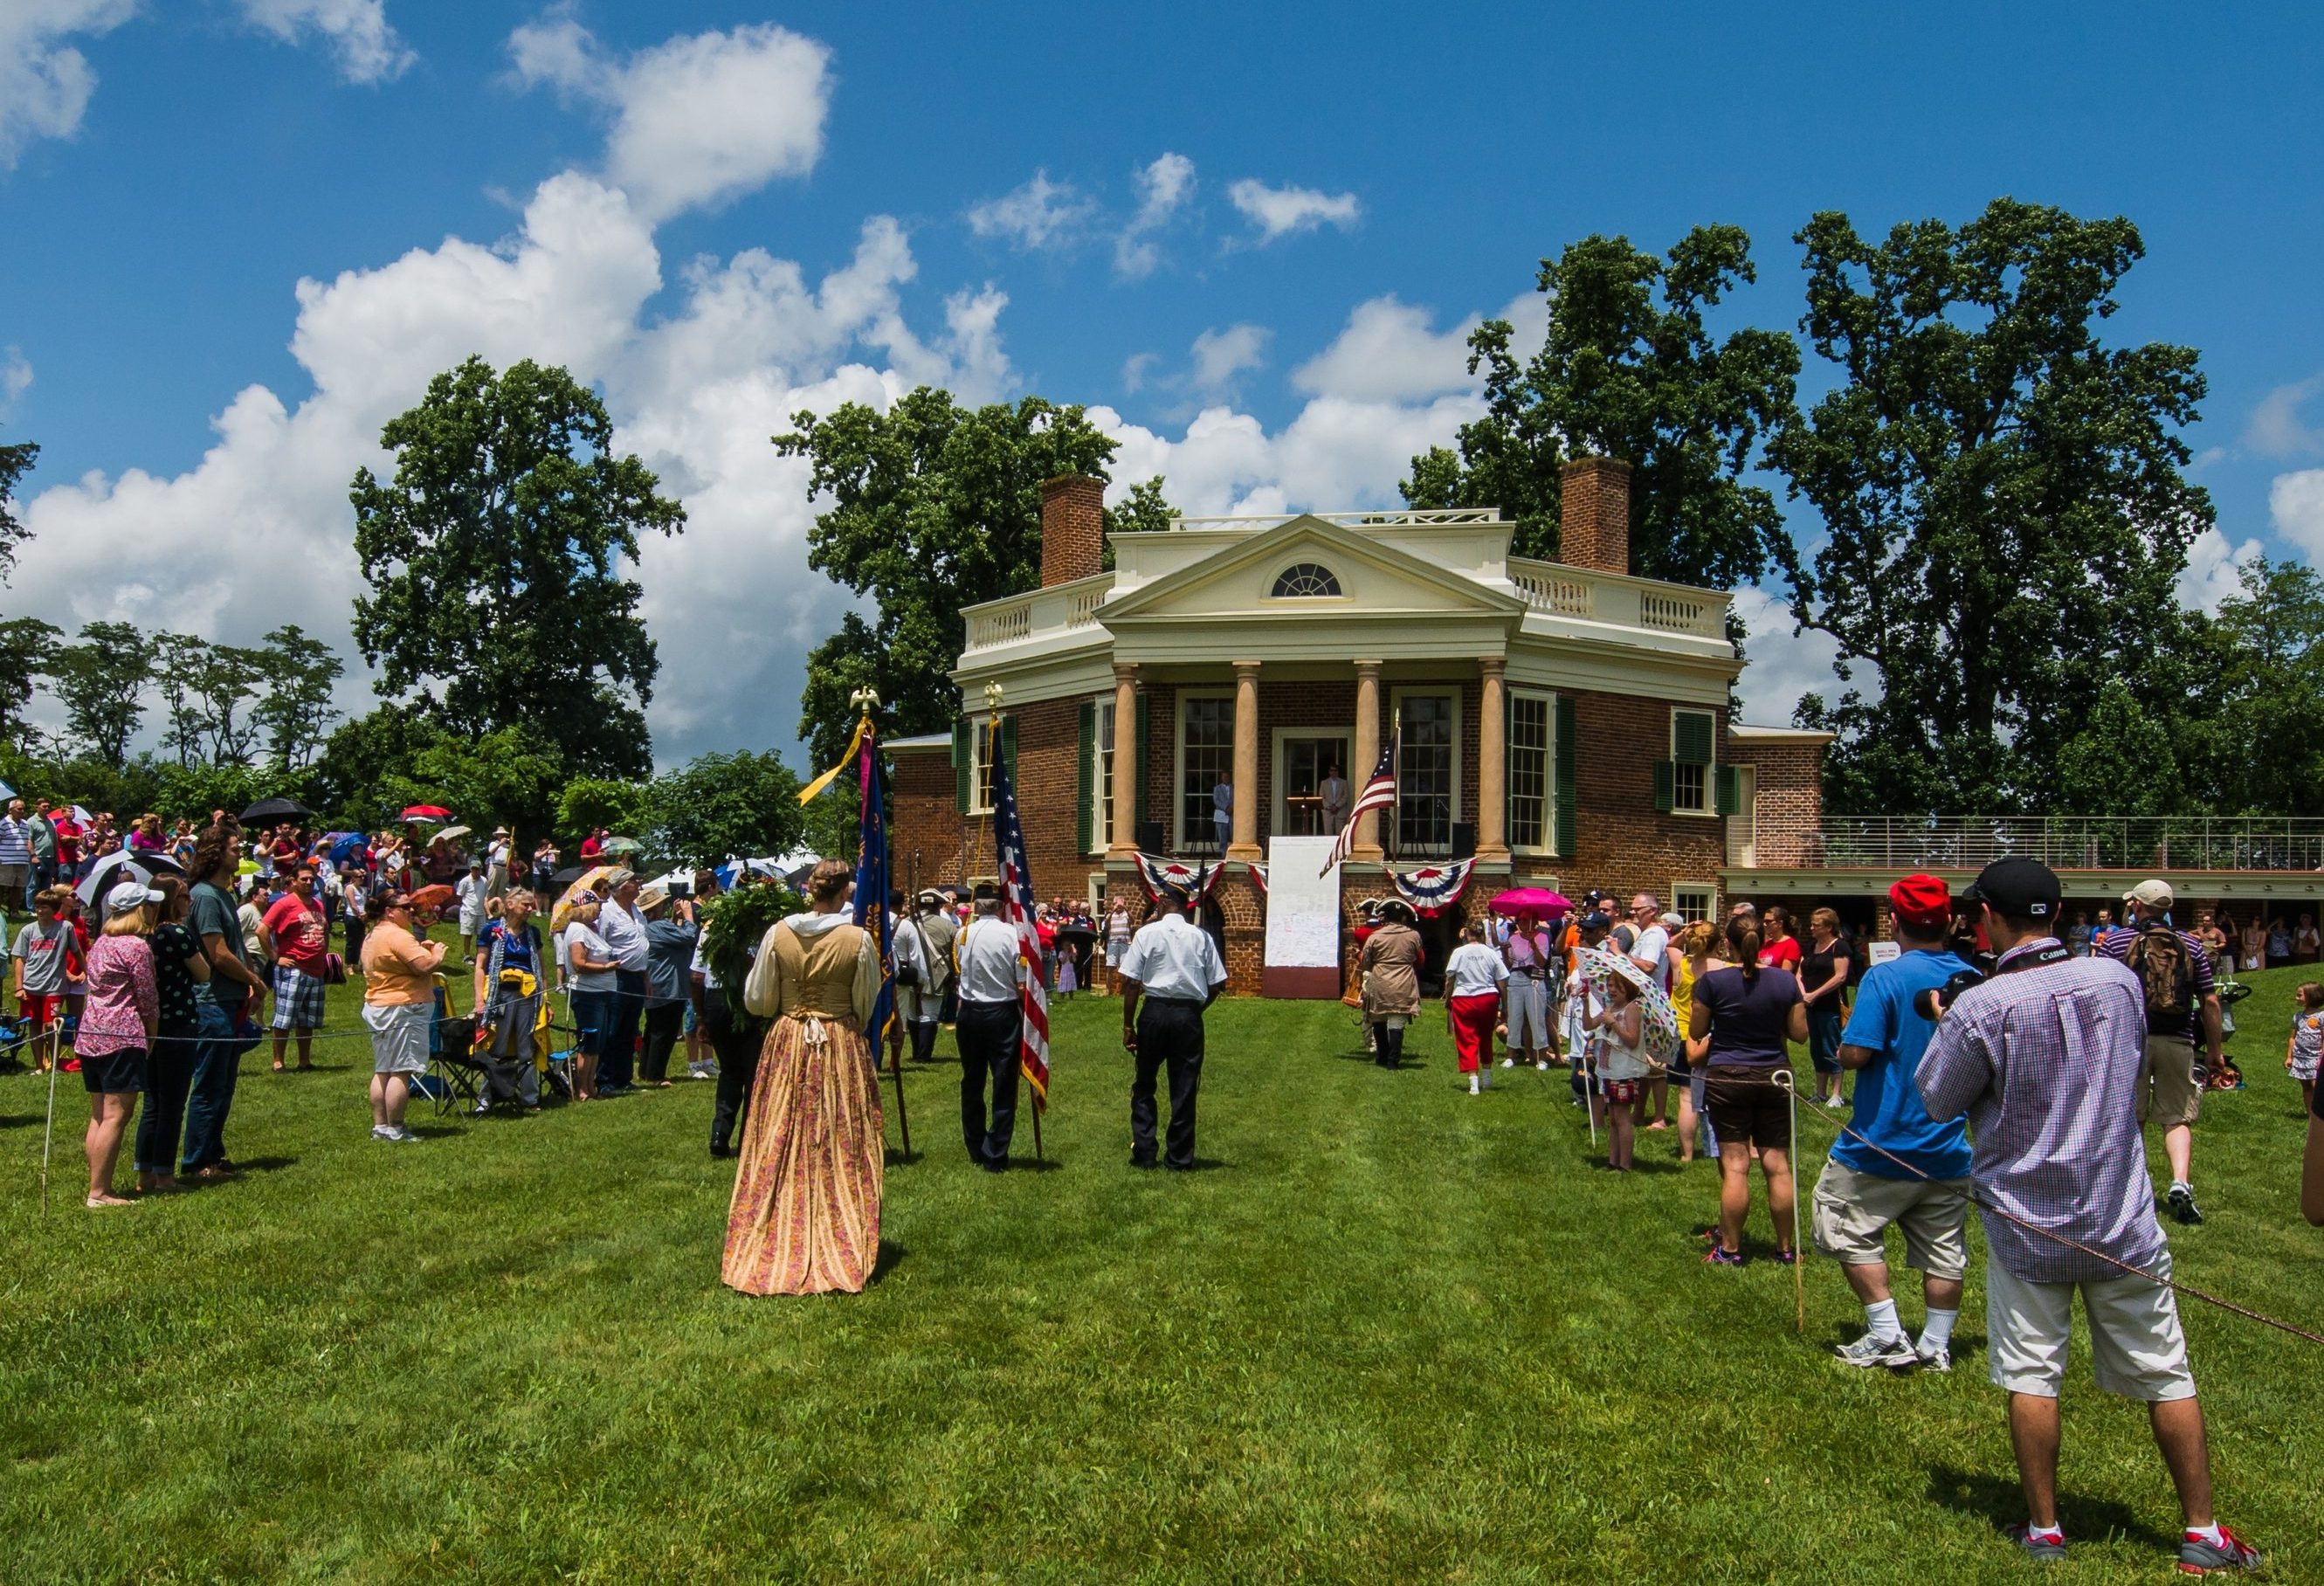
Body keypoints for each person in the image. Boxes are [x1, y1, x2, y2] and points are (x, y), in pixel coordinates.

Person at [1918, 858, 2261, 1573]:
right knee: (2165, 1370)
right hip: (2117, 1216)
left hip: (2026, 1223)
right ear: (2056, 911)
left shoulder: (1983, 1004)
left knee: (2032, 1373)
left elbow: (1936, 1102)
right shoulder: (2115, 980)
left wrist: (1948, 1019)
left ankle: (2044, 1529)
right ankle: (2201, 1531)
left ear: (1987, 919)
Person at [1816, 873, 1975, 1371]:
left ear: (1895, 922)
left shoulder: (1885, 977)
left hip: (1882, 1142)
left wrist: (1841, 1047)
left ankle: (1887, 1335)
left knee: (1840, 1221)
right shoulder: (1973, 978)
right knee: (1944, 1250)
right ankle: (1935, 1346)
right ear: (1947, 922)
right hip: (1948, 1144)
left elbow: (1859, 1053)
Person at [724, 859, 885, 1296]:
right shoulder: (857, 939)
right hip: (837, 1041)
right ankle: (838, 1224)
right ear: (843, 891)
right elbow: (865, 1002)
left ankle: (774, 1222)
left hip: (788, 1039)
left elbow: (758, 1000)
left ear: (812, 889)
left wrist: (792, 1008)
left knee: (779, 1131)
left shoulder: (778, 933)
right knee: (840, 1137)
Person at [2102, 879, 2223, 1226]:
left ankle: (2129, 1189)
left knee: (2132, 1116)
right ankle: (2180, 1181)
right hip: (2178, 1038)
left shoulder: (2117, 941)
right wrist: (2215, 1051)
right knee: (2177, 1116)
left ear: (2137, 906)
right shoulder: (2191, 945)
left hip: (2131, 1040)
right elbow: (2210, 1000)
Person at [1692, 911, 1808, 1266]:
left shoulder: (1712, 982)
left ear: (1727, 944)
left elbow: (1697, 1032)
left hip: (1728, 1076)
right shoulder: (1785, 982)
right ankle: (1786, 1249)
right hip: (1774, 1075)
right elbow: (1800, 1034)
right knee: (1777, 1164)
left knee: (1736, 1164)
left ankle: (1730, 1250)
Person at [1119, 875, 1228, 1170]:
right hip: (1188, 1015)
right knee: (1184, 1087)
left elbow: (1131, 983)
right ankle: (1179, 1158)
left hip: (1154, 1011)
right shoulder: (1201, 936)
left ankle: (1144, 1150)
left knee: (1144, 1084)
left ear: (1166, 903)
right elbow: (1217, 984)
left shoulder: (1147, 933)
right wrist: (1195, 1011)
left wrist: (1128, 1026)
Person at [183, 822, 266, 1181]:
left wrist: (248, 985)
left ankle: (213, 1154)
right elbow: (217, 954)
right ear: (216, 853)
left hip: (231, 1000)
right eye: (235, 847)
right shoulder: (202, 895)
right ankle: (197, 1161)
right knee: (209, 1085)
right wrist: (255, 981)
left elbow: (235, 949)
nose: (240, 853)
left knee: (224, 1085)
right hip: (211, 1002)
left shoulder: (225, 895)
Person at [77, 881, 160, 1206]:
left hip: (91, 1032)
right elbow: (148, 999)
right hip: (122, 1034)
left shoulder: (100, 943)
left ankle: (97, 1183)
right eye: (149, 905)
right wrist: (150, 1036)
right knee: (115, 1117)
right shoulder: (137, 947)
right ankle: (99, 1192)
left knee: (98, 1115)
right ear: (140, 910)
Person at [134, 877, 210, 1196]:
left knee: (152, 1102)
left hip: (149, 1024)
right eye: (183, 897)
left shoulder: (143, 935)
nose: (188, 902)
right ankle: (165, 1175)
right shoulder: (177, 933)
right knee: (173, 1102)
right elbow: (203, 972)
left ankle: (145, 1174)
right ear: (169, 900)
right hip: (177, 1023)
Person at [951, 884, 1026, 1169]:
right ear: (999, 906)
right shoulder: (1012, 935)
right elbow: (1021, 984)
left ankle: (975, 1145)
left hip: (969, 1012)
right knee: (1004, 1082)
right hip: (1001, 1012)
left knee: (972, 1080)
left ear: (977, 906)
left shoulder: (963, 934)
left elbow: (959, 971)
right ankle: (995, 1151)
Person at [358, 890, 440, 1141]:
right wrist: (436, 954)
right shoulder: (398, 934)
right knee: (401, 1070)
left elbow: (398, 963)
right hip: (404, 1007)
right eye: (405, 907)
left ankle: (380, 1126)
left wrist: (421, 950)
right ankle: (396, 1127)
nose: (411, 911)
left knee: (383, 1069)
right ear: (389, 911)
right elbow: (423, 966)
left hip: (379, 1005)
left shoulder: (374, 935)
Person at [472, 887, 546, 1113]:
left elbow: (542, 969)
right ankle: (487, 1097)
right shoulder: (491, 930)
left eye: (532, 905)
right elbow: (480, 966)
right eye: (526, 904)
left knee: (527, 1046)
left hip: (528, 994)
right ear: (511, 904)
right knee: (496, 1045)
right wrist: (479, 1000)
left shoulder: (532, 933)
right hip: (500, 994)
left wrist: (546, 999)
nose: (530, 909)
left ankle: (529, 1098)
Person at [1586, 958, 1653, 1170]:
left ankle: (1625, 1163)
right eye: (1610, 986)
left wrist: (1614, 1023)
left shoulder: (1631, 1009)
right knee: (1613, 1117)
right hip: (1609, 1069)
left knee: (1623, 1117)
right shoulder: (1610, 1006)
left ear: (1629, 988)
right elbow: (1589, 1024)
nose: (1612, 990)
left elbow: (1632, 1040)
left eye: (1617, 986)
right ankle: (1612, 1160)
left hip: (1624, 1070)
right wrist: (1583, 1002)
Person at [262, 865, 328, 1073]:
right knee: (284, 1017)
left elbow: (324, 930)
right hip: (293, 967)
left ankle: (304, 1061)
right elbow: (261, 930)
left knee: (308, 1019)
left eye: (311, 879)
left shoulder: (318, 904)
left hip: (316, 969)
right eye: (304, 879)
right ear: (293, 881)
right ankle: (278, 1061)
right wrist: (275, 957)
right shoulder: (284, 904)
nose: (308, 883)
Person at [12, 885, 84, 1074]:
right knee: (34, 1023)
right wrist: (19, 987)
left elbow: (77, 952)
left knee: (52, 1025)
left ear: (54, 909)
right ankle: (39, 1066)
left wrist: (87, 972)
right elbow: (19, 959)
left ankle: (55, 1064)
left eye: (44, 907)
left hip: (54, 987)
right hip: (31, 986)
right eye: (37, 906)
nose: (40, 910)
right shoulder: (28, 930)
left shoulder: (65, 928)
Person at [1667, 921, 1721, 1165]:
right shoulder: (1725, 968)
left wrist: (1684, 930)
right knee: (1722, 1093)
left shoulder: (1681, 963)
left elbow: (1670, 944)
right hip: (1713, 1035)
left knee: (1686, 1097)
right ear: (1718, 944)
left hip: (1682, 1033)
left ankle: (1686, 1154)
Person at [637, 882, 697, 1088]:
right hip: (668, 985)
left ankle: (646, 1070)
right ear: (655, 908)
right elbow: (688, 936)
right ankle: (656, 1075)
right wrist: (688, 915)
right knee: (666, 1031)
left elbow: (671, 936)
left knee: (652, 1029)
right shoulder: (658, 927)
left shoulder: (648, 926)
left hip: (655, 982)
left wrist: (674, 919)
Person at [595, 869, 649, 1094]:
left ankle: (623, 1078)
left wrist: (646, 979)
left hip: (637, 975)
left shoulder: (636, 910)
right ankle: (605, 1079)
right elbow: (599, 942)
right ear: (620, 887)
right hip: (618, 976)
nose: (638, 883)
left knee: (630, 1029)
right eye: (633, 880)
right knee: (613, 1029)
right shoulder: (607, 912)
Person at [1443, 920, 1507, 1097]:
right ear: (1482, 933)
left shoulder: (1459, 952)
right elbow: (1501, 980)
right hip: (1488, 997)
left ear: (1466, 933)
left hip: (1464, 997)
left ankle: (1473, 1082)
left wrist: (1448, 998)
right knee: (1486, 1035)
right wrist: (1505, 1005)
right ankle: (1487, 1076)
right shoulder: (1491, 952)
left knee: (1466, 1038)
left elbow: (1450, 979)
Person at [562, 897, 617, 1102]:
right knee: (589, 1042)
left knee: (599, 1042)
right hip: (588, 994)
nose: (599, 911)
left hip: (603, 992)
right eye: (597, 907)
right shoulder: (577, 929)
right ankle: (582, 1087)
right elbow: (578, 963)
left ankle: (591, 1084)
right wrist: (606, 968)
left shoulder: (590, 929)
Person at [1357, 899, 1424, 1069]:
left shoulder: (1375, 936)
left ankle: (1382, 1057)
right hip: (1403, 983)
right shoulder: (1414, 936)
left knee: (1378, 1019)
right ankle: (1393, 1061)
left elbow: (1365, 962)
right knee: (1396, 1022)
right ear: (1403, 918)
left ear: (1385, 917)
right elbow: (1420, 960)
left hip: (1380, 982)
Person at [1800, 907, 1853, 1110]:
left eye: (1817, 925)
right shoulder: (1811, 946)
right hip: (1811, 1006)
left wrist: (1815, 994)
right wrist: (1803, 992)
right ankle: (1820, 1093)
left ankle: (1836, 1094)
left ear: (1829, 927)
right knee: (1816, 1048)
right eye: (1812, 924)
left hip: (1831, 1006)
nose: (1812, 928)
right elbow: (1800, 971)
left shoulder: (1839, 947)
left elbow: (1840, 977)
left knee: (1832, 1047)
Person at [893, 890, 950, 1067]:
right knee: (929, 1015)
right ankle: (923, 1055)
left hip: (909, 975)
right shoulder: (947, 925)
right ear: (936, 906)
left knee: (912, 1014)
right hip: (937, 975)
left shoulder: (908, 922)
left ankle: (916, 1051)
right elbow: (955, 950)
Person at [1499, 911, 1553, 1072]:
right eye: (1519, 920)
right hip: (1517, 978)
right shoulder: (1513, 939)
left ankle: (1542, 1057)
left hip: (1534, 979)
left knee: (1537, 1018)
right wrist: (1503, 951)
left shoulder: (1542, 938)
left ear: (1534, 921)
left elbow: (1541, 962)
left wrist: (1534, 945)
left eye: (1525, 920)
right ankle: (1510, 1056)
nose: (1521, 923)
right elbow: (1509, 965)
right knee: (1515, 1018)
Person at [2286, 981, 2323, 1118]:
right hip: (2301, 1058)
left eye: (2299, 995)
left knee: (2317, 1087)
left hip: (2316, 1058)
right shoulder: (2298, 1017)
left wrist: (2322, 1057)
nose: (2296, 998)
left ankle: (2320, 1115)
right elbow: (2293, 1038)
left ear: (2311, 997)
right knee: (2306, 1087)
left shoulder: (2321, 1016)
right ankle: (2311, 1115)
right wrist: (2290, 1056)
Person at [0, 797, 33, 912]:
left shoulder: (25, 824)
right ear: (11, 810)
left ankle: (14, 911)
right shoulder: (3, 824)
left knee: (18, 888)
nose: (22, 811)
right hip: (6, 860)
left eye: (23, 809)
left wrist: (32, 854)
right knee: (2, 886)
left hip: (22, 860)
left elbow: (28, 841)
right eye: (19, 809)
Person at [456, 859, 488, 964]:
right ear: (471, 869)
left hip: (481, 912)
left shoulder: (484, 880)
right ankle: (466, 955)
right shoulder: (465, 881)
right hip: (468, 911)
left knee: (481, 935)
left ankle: (480, 955)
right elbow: (459, 895)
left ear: (481, 870)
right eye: (473, 869)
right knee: (468, 934)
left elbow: (485, 896)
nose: (475, 871)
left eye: (477, 869)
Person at [1755, 904, 1802, 973]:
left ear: (1780, 923)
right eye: (1764, 921)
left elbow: (1785, 974)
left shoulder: (1790, 945)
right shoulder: (1767, 943)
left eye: (1768, 921)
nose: (1764, 924)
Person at [1319, 762, 1349, 836]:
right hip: (1328, 811)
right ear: (1329, 772)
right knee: (1328, 834)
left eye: (1335, 770)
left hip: (1340, 811)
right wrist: (1330, 807)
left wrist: (1337, 806)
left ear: (1338, 772)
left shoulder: (1344, 783)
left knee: (1340, 834)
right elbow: (1321, 796)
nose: (1333, 772)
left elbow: (1346, 796)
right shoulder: (1324, 783)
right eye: (1331, 770)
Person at [1211, 775, 1232, 854]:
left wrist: (1232, 807)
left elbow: (1238, 798)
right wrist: (1226, 808)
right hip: (1221, 816)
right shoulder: (1217, 788)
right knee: (1222, 837)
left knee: (1233, 836)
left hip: (1232, 815)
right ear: (1221, 778)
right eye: (1224, 777)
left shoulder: (1234, 788)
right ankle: (1222, 854)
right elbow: (1216, 801)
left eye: (1227, 776)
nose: (1226, 778)